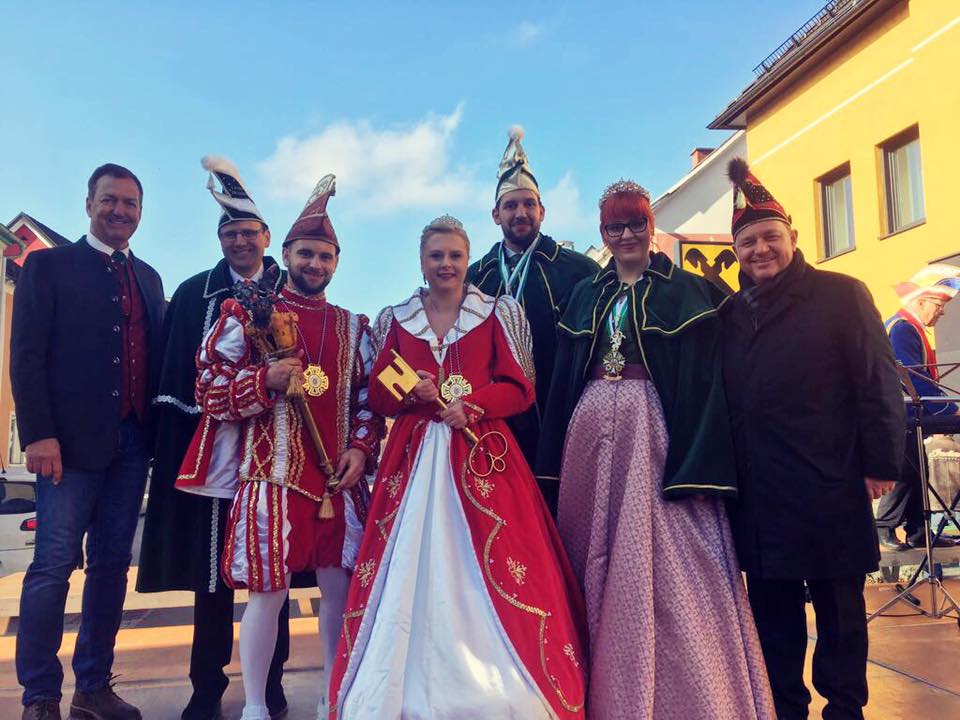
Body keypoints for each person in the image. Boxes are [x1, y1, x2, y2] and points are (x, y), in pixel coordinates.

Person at [328, 215, 587, 719]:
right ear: (421, 262)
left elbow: (520, 387)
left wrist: (474, 405)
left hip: (483, 454)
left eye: (454, 256)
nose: (445, 264)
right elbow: (378, 393)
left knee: (501, 556)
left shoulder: (496, 312)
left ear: (468, 260)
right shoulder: (396, 318)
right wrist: (412, 389)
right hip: (413, 457)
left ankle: (500, 675)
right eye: (436, 256)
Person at [537, 180, 775, 720]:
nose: (626, 235)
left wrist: (695, 456)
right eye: (614, 227)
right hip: (590, 433)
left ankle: (678, 690)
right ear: (603, 233)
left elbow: (713, 376)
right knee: (590, 546)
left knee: (668, 553)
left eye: (635, 224)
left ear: (650, 226)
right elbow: (563, 376)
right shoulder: (586, 294)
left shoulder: (688, 289)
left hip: (657, 434)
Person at [176, 174, 383, 720]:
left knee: (339, 593)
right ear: (285, 254)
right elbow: (207, 388)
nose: (315, 264)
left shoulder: (354, 326)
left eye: (325, 256)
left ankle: (333, 697)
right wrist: (262, 381)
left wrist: (360, 451)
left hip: (336, 482)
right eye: (305, 253)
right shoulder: (247, 315)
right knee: (266, 595)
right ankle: (256, 706)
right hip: (271, 476)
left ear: (337, 262)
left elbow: (369, 401)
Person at [721, 158, 905, 720]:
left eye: (770, 238)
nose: (761, 250)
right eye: (748, 242)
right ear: (736, 250)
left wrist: (882, 463)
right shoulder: (729, 315)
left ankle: (845, 707)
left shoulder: (841, 295)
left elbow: (877, 382)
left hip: (830, 482)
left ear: (793, 238)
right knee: (773, 614)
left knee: (840, 612)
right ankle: (785, 708)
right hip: (761, 492)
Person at [136, 156, 292, 720]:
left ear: (266, 236)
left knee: (272, 579)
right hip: (215, 457)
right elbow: (172, 379)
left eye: (249, 232)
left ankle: (271, 686)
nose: (240, 242)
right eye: (230, 234)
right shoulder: (193, 293)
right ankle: (206, 688)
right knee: (211, 580)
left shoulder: (291, 290)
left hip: (277, 456)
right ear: (219, 239)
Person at [11, 164, 166, 720]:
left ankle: (93, 687)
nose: (120, 210)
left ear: (140, 212)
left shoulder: (149, 278)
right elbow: (26, 356)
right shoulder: (48, 266)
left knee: (110, 567)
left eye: (130, 203)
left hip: (133, 443)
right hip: (67, 446)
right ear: (89, 203)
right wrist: (39, 435)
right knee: (52, 566)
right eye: (110, 200)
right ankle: (40, 696)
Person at [467, 127, 598, 514]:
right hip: (496, 421)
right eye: (511, 206)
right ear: (496, 214)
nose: (520, 213)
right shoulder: (475, 278)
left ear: (542, 210)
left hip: (563, 415)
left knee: (563, 514)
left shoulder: (579, 271)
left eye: (528, 204)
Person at [877, 265, 960, 551]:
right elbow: (913, 377)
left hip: (905, 413)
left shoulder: (906, 327)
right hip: (898, 414)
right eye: (938, 305)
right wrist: (949, 410)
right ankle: (883, 527)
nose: (942, 312)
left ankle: (918, 531)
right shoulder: (903, 329)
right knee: (905, 469)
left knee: (916, 469)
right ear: (921, 302)